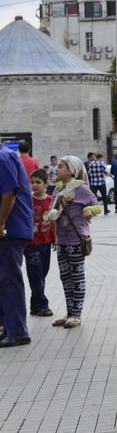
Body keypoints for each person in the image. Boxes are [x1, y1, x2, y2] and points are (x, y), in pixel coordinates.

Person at [47, 156, 101, 329]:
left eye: (61, 166)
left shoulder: (81, 188)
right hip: (61, 241)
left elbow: (97, 205)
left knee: (77, 278)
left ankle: (77, 314)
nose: (57, 169)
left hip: (76, 241)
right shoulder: (57, 189)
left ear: (70, 170)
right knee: (65, 278)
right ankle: (69, 312)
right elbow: (51, 212)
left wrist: (88, 210)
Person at [0, 143, 34, 348]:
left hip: (9, 230)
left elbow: (9, 192)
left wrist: (1, 222)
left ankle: (18, 331)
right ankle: (10, 327)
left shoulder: (3, 158)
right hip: (10, 228)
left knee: (9, 279)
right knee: (4, 279)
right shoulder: (6, 155)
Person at [24, 169, 54, 319]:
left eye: (38, 182)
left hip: (46, 242)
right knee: (36, 274)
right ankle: (42, 305)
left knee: (43, 272)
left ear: (46, 184)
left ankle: (34, 305)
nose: (34, 185)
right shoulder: (27, 200)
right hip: (31, 244)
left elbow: (53, 221)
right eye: (32, 182)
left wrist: (55, 239)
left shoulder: (50, 200)